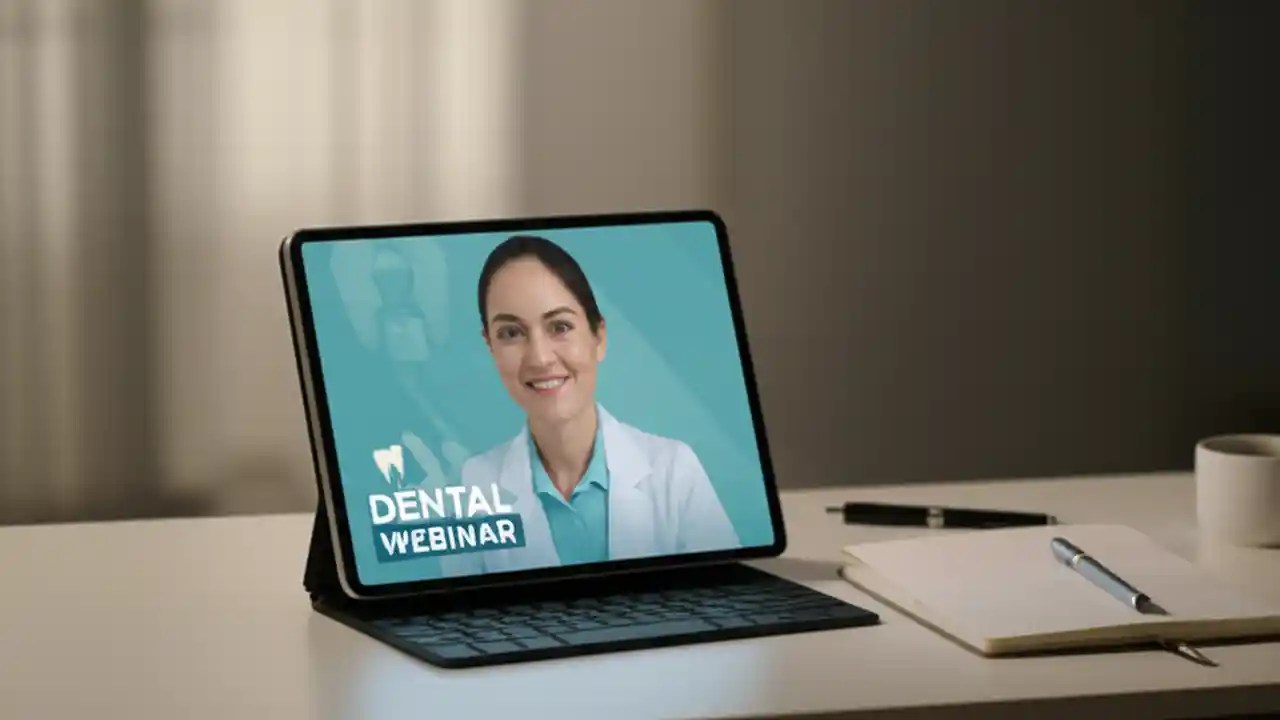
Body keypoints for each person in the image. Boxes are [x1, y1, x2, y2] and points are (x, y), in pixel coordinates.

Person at [449, 235, 738, 574]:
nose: (540, 358)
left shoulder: (675, 471)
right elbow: (464, 613)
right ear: (490, 346)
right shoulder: (475, 484)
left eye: (560, 326)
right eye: (511, 333)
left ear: (598, 338)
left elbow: (728, 595)